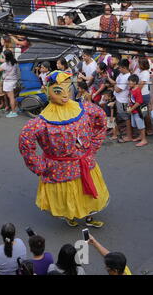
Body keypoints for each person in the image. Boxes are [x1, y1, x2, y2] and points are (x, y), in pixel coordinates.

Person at [19, 71, 110, 228]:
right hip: (60, 169)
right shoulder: (40, 123)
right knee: (70, 195)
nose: (65, 94)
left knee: (87, 194)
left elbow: (101, 119)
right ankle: (71, 215)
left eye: (68, 88)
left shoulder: (84, 109)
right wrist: (39, 165)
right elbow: (25, 143)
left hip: (85, 164)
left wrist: (93, 146)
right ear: (48, 92)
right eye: (58, 91)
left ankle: (88, 217)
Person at [0, 49, 20, 117]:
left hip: (8, 83)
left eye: (3, 56)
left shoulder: (5, 65)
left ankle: (14, 112)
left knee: (11, 98)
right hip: (14, 81)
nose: (3, 57)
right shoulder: (15, 62)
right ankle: (16, 108)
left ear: (6, 57)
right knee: (14, 96)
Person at [111, 59, 132, 143]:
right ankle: (119, 132)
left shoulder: (127, 77)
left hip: (123, 100)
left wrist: (114, 85)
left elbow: (118, 89)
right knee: (121, 117)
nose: (118, 70)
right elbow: (116, 85)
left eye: (119, 68)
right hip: (118, 99)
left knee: (126, 118)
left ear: (124, 67)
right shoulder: (121, 74)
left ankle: (129, 135)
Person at [127, 74, 148, 147]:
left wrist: (131, 109)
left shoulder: (137, 90)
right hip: (133, 111)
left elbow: (139, 102)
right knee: (135, 125)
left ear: (135, 82)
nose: (128, 83)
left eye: (130, 82)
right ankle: (140, 136)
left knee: (141, 126)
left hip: (137, 112)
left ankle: (144, 140)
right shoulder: (131, 89)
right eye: (128, 81)